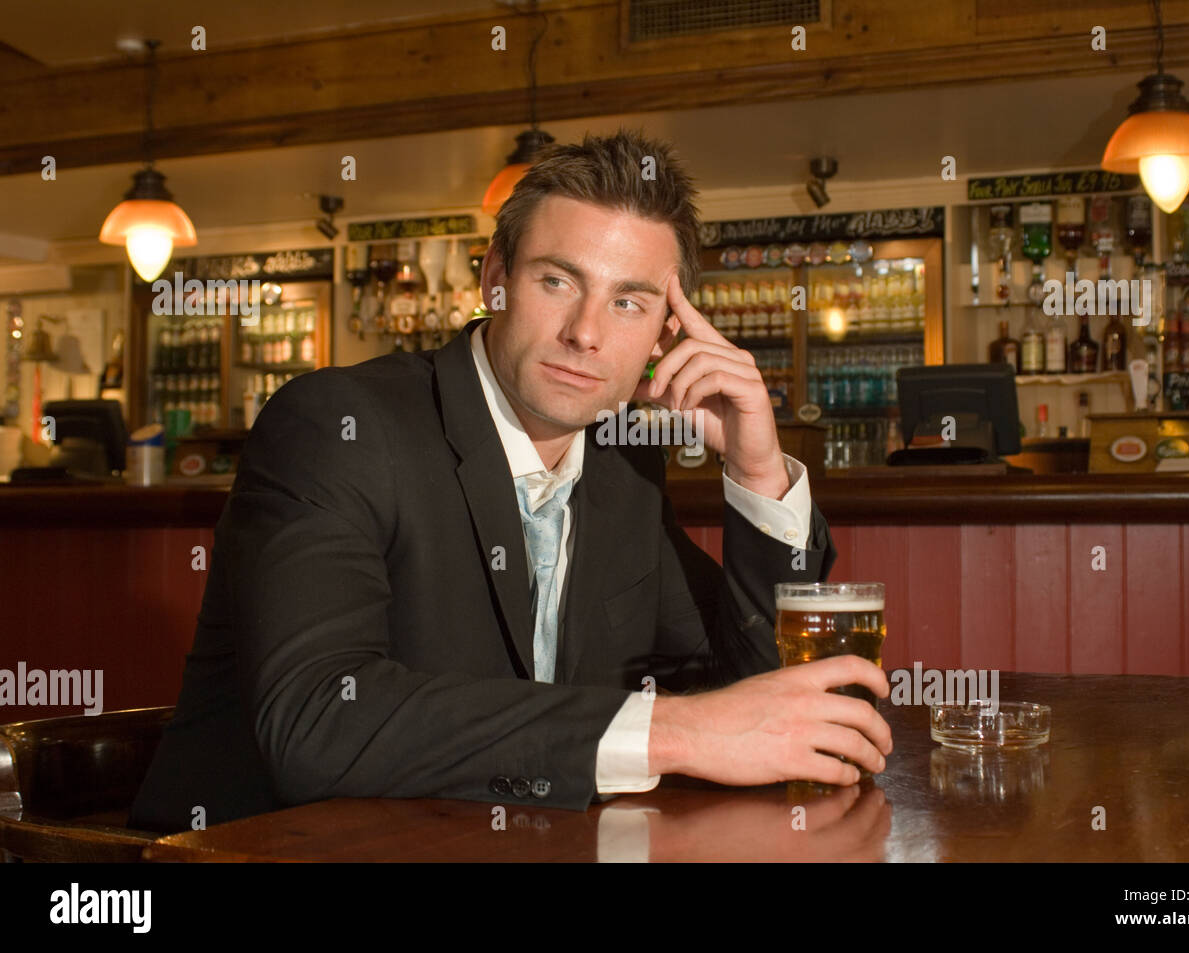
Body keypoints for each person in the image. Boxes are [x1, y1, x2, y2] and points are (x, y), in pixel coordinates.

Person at [128, 128, 892, 834]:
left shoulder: (622, 468)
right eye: (558, 281)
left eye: (629, 301)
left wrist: (755, 469)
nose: (586, 332)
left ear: (666, 334)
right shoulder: (340, 426)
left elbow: (752, 698)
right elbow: (318, 719)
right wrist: (680, 729)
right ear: (495, 278)